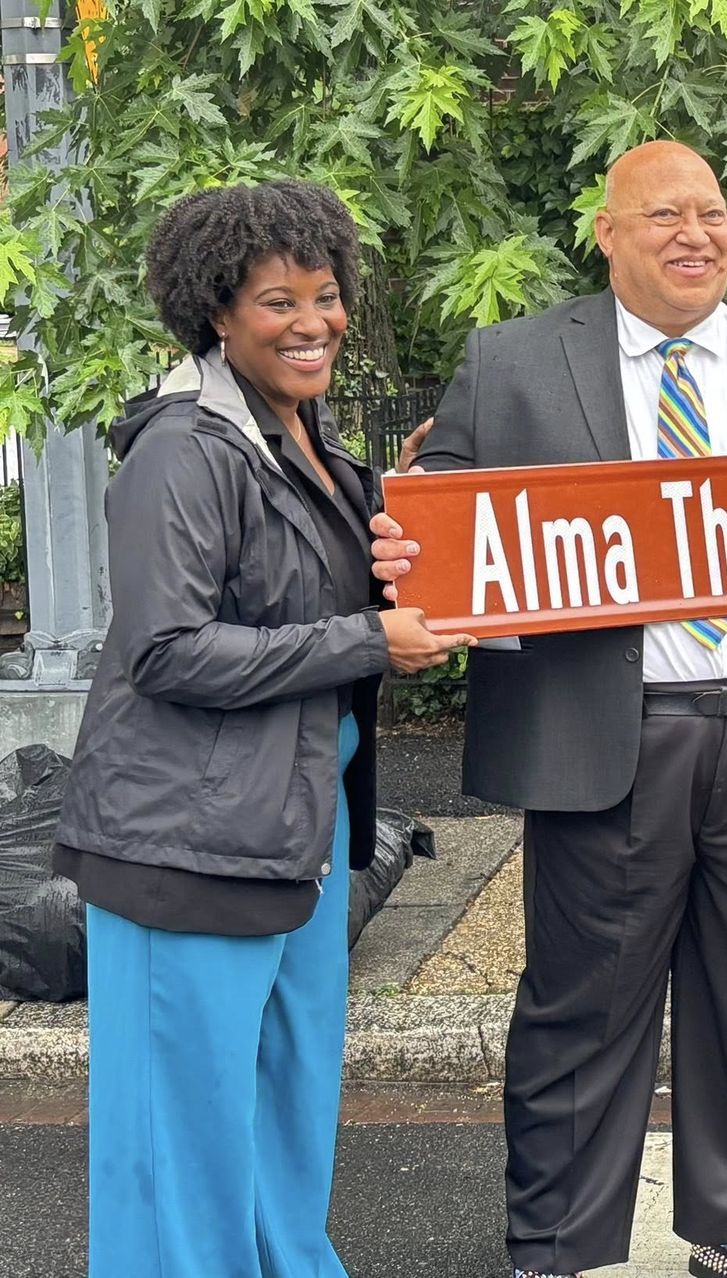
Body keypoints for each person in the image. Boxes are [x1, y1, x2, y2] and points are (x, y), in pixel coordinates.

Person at [370, 140, 727, 1278]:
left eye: (711, 211)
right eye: (663, 214)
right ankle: (552, 1250)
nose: (694, 233)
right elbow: (435, 530)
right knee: (582, 1011)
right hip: (614, 736)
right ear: (605, 232)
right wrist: (408, 545)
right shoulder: (511, 364)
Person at [50, 181, 471, 1277]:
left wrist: (405, 505)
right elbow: (167, 651)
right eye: (277, 300)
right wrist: (371, 643)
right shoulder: (180, 450)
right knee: (178, 1147)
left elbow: (313, 585)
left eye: (324, 295)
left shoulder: (305, 437)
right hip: (180, 844)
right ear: (217, 315)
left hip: (296, 825)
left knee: (288, 1111)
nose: (312, 321)